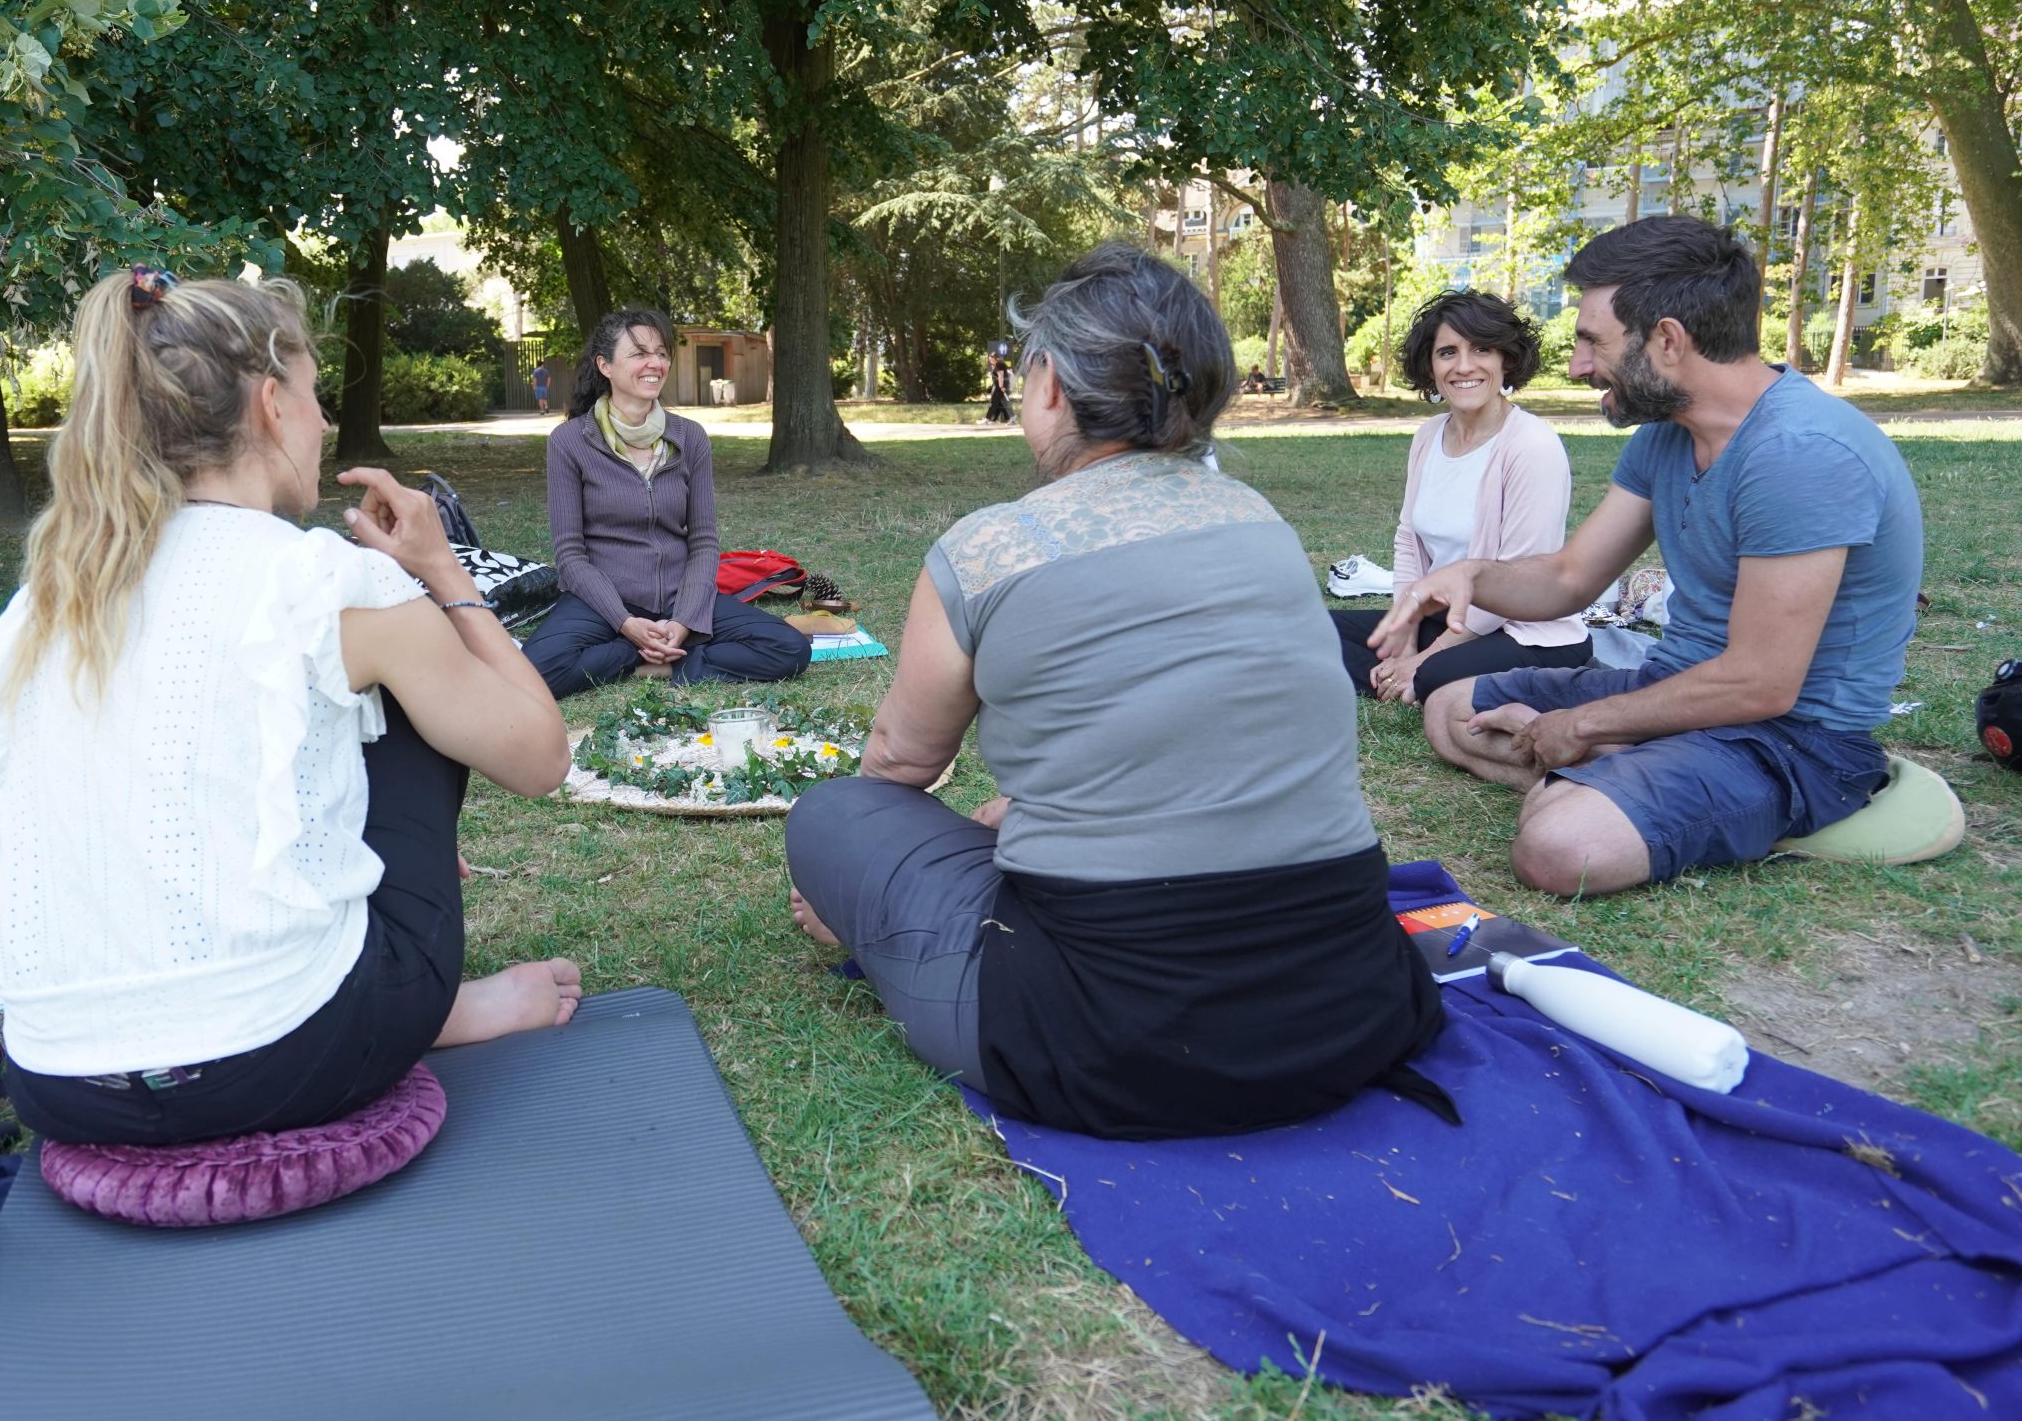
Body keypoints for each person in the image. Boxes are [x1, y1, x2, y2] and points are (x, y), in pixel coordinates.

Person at [784, 243, 1445, 1140]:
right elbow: (1202, 716)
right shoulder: (1263, 523)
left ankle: (876, 925)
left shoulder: (987, 551)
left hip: (1104, 1042)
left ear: (1049, 382)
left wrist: (856, 889)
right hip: (1347, 1003)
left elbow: (899, 762)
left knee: (833, 815)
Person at [0, 268, 579, 1148]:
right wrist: (442, 572)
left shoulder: (50, 600)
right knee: (401, 679)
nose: (323, 423)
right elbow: (541, 758)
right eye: (315, 397)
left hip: (56, 1078)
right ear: (271, 404)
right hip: (282, 1053)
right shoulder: (327, 580)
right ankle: (432, 1006)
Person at [1377, 216, 1924, 897]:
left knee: (1558, 846)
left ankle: (1644, 785)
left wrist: (1581, 724)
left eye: (1592, 342)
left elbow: (1761, 684)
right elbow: (1569, 577)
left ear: (1667, 339)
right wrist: (1469, 576)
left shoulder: (1799, 454)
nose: (1577, 366)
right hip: (1674, 689)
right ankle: (1639, 774)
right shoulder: (1668, 434)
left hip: (1793, 739)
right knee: (1449, 708)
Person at [523, 306, 811, 699]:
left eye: (661, 353)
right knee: (535, 673)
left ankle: (672, 657)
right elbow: (571, 556)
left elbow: (704, 541)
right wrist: (627, 625)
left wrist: (686, 620)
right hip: (606, 602)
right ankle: (634, 656)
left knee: (789, 649)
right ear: (605, 365)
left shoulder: (690, 437)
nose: (654, 364)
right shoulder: (570, 442)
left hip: (681, 598)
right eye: (639, 354)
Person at [1332, 291, 1591, 704]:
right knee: (1312, 632)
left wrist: (1424, 660)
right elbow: (1407, 541)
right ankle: (1404, 677)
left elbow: (1515, 583)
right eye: (1448, 352)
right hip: (1447, 621)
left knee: (1433, 677)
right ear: (1430, 365)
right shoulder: (1428, 436)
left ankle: (1416, 680)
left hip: (1526, 632)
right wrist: (1405, 637)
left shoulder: (1531, 445)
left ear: (1506, 359)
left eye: (1482, 349)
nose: (1464, 366)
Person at [982, 355, 1014, 425]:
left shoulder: (999, 364)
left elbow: (1001, 375)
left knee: (994, 403)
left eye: (991, 359)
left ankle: (987, 419)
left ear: (995, 358)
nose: (990, 361)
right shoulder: (999, 364)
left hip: (999, 387)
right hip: (1000, 386)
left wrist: (1001, 386)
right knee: (1004, 402)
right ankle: (1012, 418)